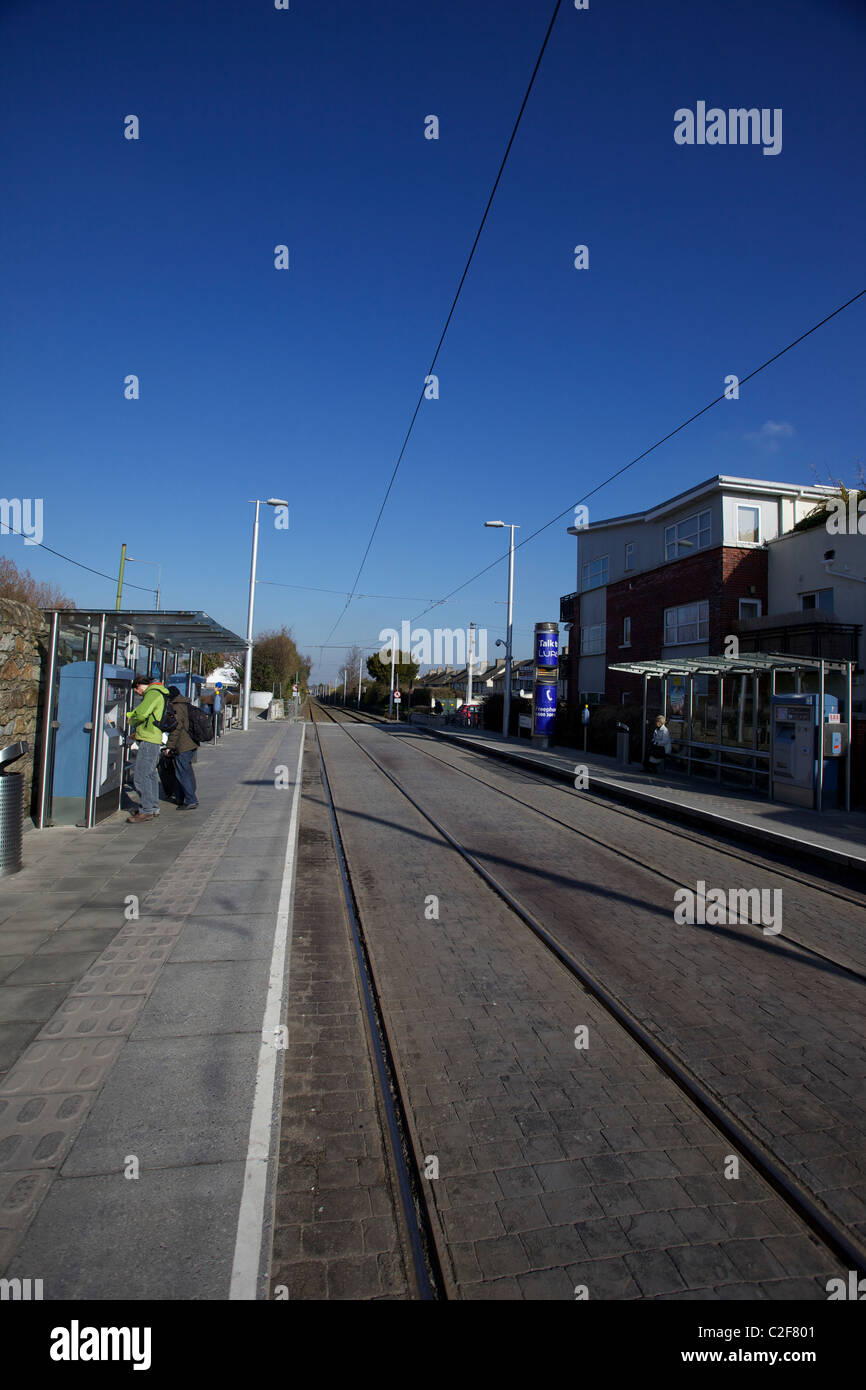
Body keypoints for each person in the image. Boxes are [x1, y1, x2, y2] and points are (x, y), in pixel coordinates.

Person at [125, 674, 170, 822]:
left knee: (141, 776)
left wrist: (130, 718)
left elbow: (142, 713)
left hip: (149, 738)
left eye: (136, 690)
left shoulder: (152, 693)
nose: (138, 694)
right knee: (150, 775)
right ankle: (152, 806)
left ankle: (147, 810)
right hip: (154, 737)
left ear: (139, 685)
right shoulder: (161, 692)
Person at [163, 685, 199, 809]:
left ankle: (191, 799)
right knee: (186, 770)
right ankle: (186, 796)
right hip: (191, 742)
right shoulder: (185, 704)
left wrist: (169, 746)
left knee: (182, 772)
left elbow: (176, 728)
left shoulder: (176, 707)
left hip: (183, 744)